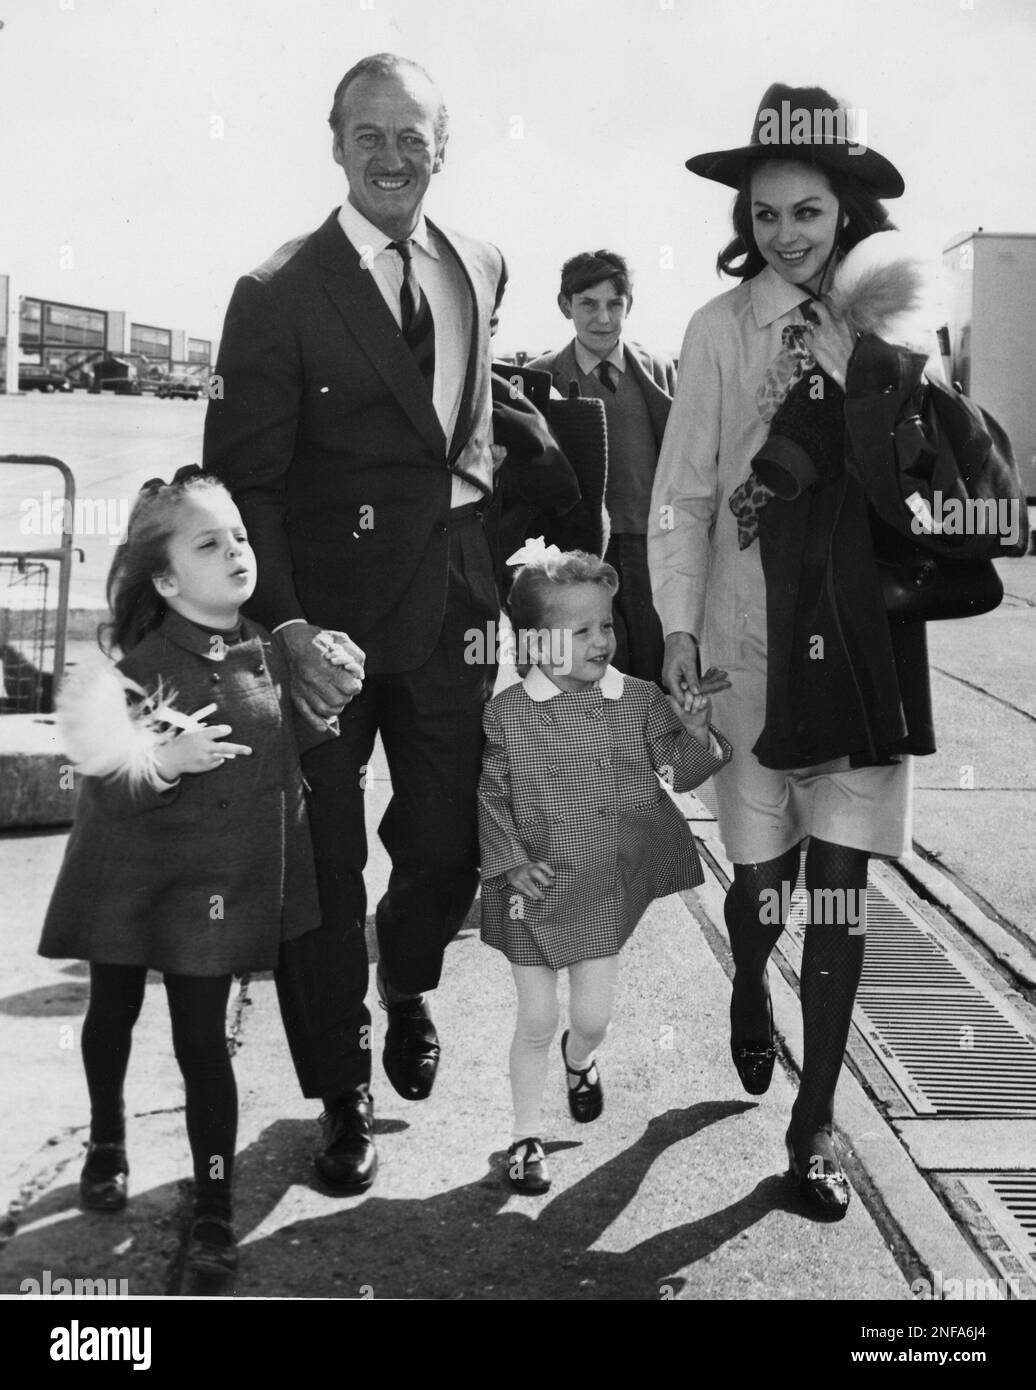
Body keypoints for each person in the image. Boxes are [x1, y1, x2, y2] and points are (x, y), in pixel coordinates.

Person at [649, 83, 1025, 1219]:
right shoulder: (717, 333)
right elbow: (681, 496)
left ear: (847, 210)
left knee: (842, 892)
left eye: (806, 211)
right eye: (766, 216)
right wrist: (673, 628)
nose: (786, 235)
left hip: (861, 644)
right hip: (741, 646)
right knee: (761, 884)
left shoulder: (896, 324)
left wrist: (858, 372)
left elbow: (936, 483)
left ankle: (816, 1123)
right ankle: (748, 987)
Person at [203, 53, 507, 1192]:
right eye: (367, 134)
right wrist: (280, 628)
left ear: (444, 146)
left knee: (446, 844)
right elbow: (243, 488)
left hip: (447, 619)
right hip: (319, 637)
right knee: (319, 868)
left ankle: (409, 978)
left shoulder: (480, 265)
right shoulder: (277, 290)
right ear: (334, 143)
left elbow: (462, 448)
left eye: (411, 135)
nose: (391, 156)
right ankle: (341, 1090)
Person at [38, 469, 327, 1277]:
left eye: (238, 535)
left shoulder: (266, 647)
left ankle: (212, 1206)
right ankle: (106, 1137)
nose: (236, 550)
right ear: (166, 579)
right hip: (127, 874)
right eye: (210, 543)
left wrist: (329, 690)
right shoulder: (138, 666)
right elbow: (104, 774)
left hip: (211, 889)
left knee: (203, 1043)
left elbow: (284, 755)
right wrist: (165, 758)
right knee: (113, 1010)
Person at [477, 543, 731, 1193]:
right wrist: (508, 864)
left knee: (591, 1017)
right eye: (582, 630)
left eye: (607, 625)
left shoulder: (637, 700)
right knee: (534, 1017)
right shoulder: (508, 712)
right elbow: (493, 793)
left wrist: (698, 731)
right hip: (529, 888)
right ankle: (525, 1137)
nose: (602, 642)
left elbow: (676, 773)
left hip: (597, 888)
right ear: (535, 644)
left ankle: (579, 1058)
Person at [530, 251, 676, 683]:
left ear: (629, 305)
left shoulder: (658, 368)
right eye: (588, 304)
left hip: (654, 545)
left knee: (658, 663)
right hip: (584, 552)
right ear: (565, 306)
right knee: (594, 668)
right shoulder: (541, 376)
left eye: (614, 304)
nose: (603, 318)